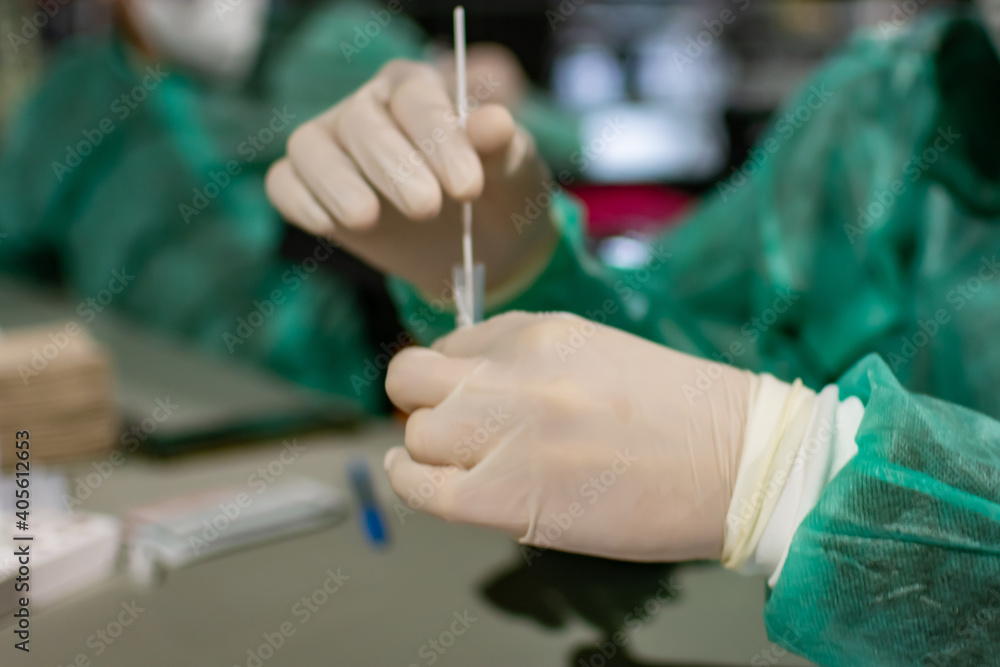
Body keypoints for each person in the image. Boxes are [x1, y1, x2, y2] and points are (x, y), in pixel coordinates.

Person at [266, 3, 1000, 665]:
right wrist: (525, 273)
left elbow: (735, 442)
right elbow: (693, 363)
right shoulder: (895, 103)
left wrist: (803, 472)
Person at [0, 0, 578, 414]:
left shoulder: (333, 44)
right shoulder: (70, 97)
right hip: (127, 408)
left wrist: (493, 96)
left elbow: (551, 149)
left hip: (310, 413)